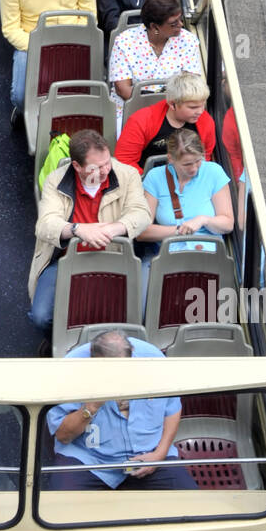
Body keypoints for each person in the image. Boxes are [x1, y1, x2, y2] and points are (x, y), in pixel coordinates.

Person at [28, 131, 150, 334]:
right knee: (41, 317)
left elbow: (141, 214)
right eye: (97, 167)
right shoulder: (55, 180)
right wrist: (78, 230)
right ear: (77, 166)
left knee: (127, 315)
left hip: (113, 256)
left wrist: (114, 228)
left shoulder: (128, 175)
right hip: (67, 259)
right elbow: (45, 225)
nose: (105, 170)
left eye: (107, 163)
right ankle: (58, 344)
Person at [46, 329, 197, 491]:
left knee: (189, 501)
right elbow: (63, 435)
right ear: (92, 358)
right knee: (59, 509)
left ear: (131, 353)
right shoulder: (69, 369)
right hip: (90, 460)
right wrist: (91, 406)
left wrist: (160, 454)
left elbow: (172, 409)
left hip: (149, 456)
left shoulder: (155, 361)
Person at [0, 0, 96, 121]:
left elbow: (89, 15)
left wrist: (70, 43)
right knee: (20, 96)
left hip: (73, 40)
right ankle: (24, 114)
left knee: (83, 92)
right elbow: (11, 29)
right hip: (32, 44)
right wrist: (41, 48)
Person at [108, 0, 202, 118]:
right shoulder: (124, 41)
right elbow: (123, 90)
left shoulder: (188, 41)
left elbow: (191, 85)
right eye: (174, 23)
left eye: (180, 19)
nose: (181, 25)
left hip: (174, 109)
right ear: (154, 27)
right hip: (132, 108)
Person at [139, 128, 233, 243]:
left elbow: (228, 224)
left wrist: (203, 220)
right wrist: (180, 231)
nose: (194, 168)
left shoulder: (214, 172)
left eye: (198, 161)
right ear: (171, 159)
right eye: (187, 164)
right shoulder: (155, 177)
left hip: (208, 250)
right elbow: (142, 231)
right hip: (169, 251)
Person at [114, 71, 216, 171]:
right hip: (147, 180)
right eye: (193, 107)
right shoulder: (141, 121)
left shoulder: (205, 121)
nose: (200, 111)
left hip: (189, 175)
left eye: (203, 105)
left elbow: (205, 156)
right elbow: (124, 161)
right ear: (172, 104)